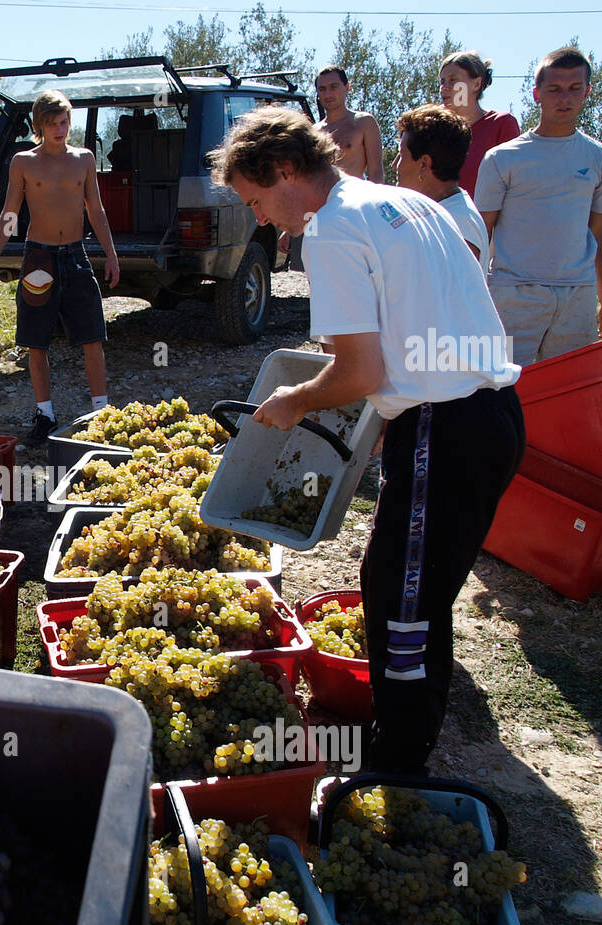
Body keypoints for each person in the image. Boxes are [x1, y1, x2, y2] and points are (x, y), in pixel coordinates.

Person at [210, 106, 524, 774]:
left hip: (448, 425)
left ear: (287, 171)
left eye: (257, 199)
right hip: (492, 412)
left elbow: (360, 371)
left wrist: (295, 400)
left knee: (401, 598)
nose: (261, 218)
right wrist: (390, 414)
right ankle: (408, 729)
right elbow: (432, 325)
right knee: (415, 586)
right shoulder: (408, 204)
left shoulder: (331, 230)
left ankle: (398, 764)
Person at [0, 90, 119, 447]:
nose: (60, 130)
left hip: (75, 255)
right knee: (36, 340)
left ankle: (102, 413)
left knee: (92, 335)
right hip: (38, 258)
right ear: (40, 126)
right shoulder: (24, 162)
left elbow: (96, 210)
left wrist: (112, 255)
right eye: (53, 124)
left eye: (64, 122)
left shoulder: (84, 159)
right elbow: (10, 213)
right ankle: (46, 414)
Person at [474, 47, 602, 365]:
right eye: (554, 89)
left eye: (574, 89)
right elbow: (479, 231)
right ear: (537, 94)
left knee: (572, 393)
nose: (564, 98)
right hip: (513, 294)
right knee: (506, 397)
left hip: (577, 298)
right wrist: (469, 297)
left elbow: (601, 230)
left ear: (587, 92)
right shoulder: (503, 158)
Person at [394, 105, 489, 261]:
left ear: (424, 164)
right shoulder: (444, 213)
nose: (394, 164)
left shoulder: (457, 223)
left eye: (401, 154)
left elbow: (463, 284)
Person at [438, 51, 520, 198]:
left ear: (476, 84)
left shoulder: (501, 124)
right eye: (442, 81)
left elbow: (514, 185)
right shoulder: (436, 131)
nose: (444, 87)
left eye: (453, 80)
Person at [314, 67, 383, 183]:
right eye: (322, 89)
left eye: (333, 87)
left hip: (355, 198)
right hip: (322, 199)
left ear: (347, 87)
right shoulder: (313, 132)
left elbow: (376, 172)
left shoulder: (364, 122)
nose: (328, 94)